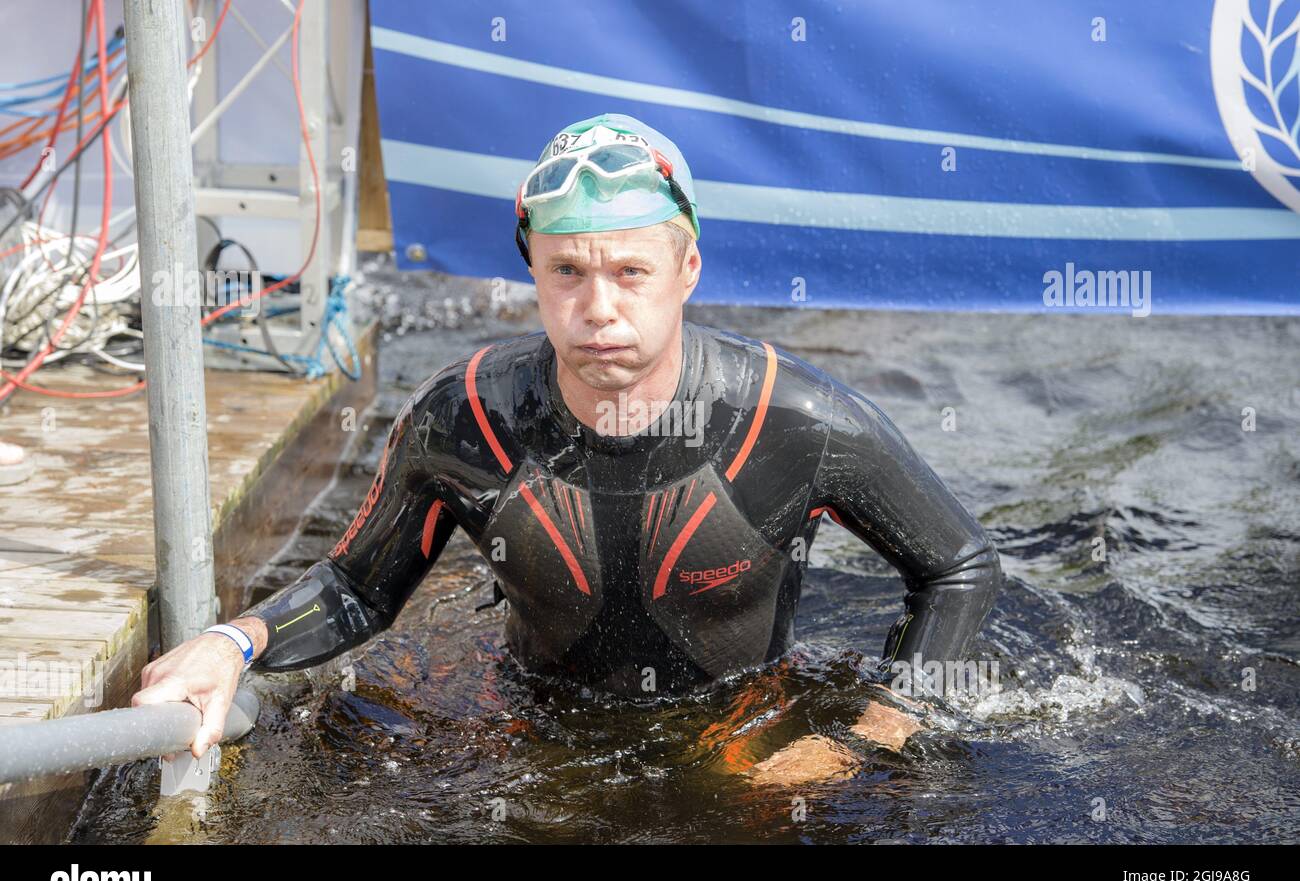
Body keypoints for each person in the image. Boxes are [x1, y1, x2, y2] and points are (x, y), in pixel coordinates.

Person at [133, 114, 1002, 785]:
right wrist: (232, 641)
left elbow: (958, 563)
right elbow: (360, 585)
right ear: (532, 271)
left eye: (631, 272)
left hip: (746, 737)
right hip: (538, 724)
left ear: (688, 268)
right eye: (567, 273)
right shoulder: (464, 415)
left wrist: (878, 727)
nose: (599, 309)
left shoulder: (795, 419)